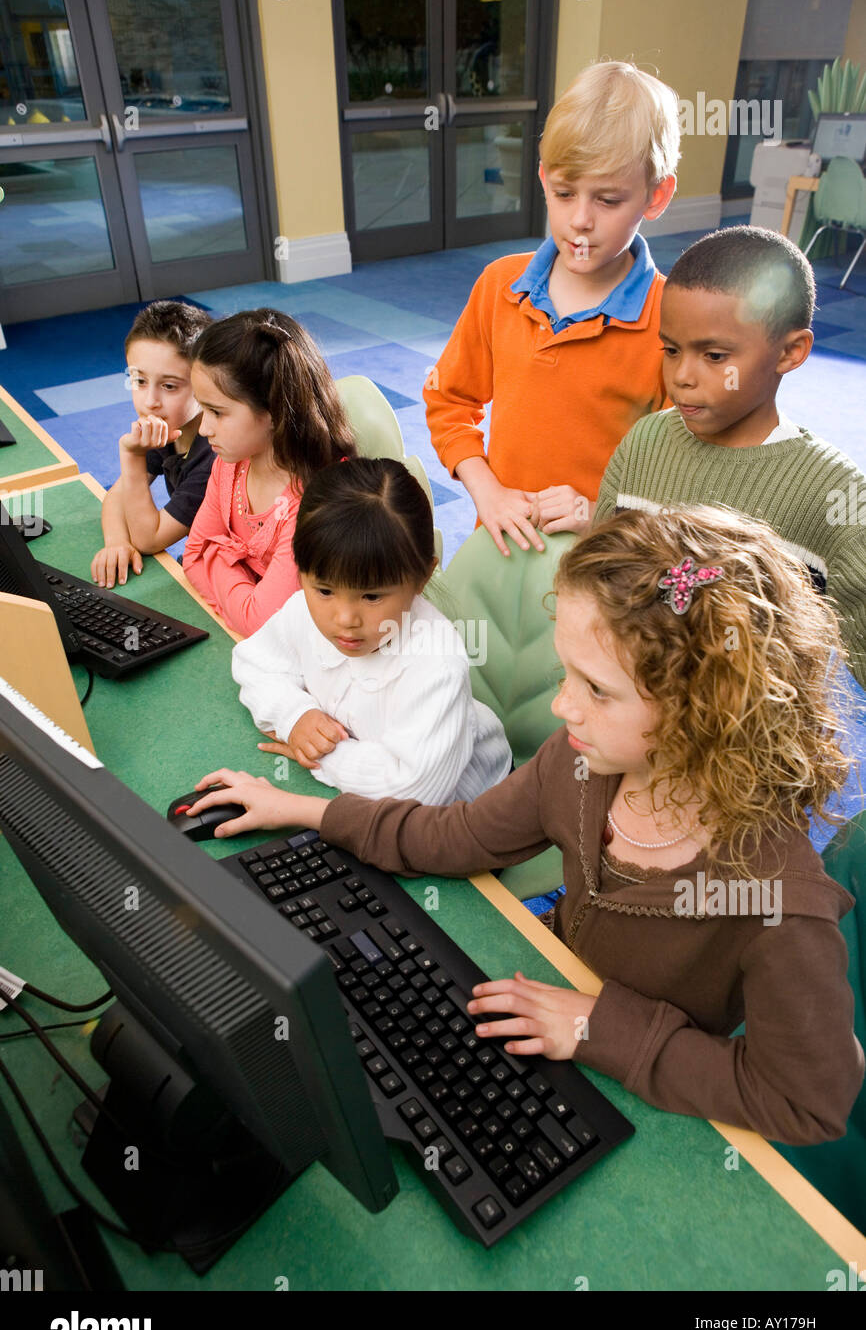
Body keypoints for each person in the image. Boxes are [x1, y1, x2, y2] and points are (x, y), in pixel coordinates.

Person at [187, 505, 864, 1144]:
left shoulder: (780, 899)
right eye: (566, 672)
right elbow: (452, 839)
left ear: (706, 708)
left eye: (597, 689)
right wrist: (305, 811)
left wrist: (600, 1027)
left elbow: (807, 1100)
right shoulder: (577, 764)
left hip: (654, 1102)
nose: (564, 706)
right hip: (554, 1003)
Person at [423, 60, 679, 557]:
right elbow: (449, 401)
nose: (579, 220)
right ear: (542, 178)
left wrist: (599, 514)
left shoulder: (675, 321)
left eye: (607, 200)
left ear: (657, 195)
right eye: (564, 193)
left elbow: (685, 477)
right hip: (499, 552)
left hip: (605, 565)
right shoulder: (499, 284)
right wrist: (487, 491)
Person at [594, 224, 866, 689]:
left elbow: (848, 678)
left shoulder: (838, 495)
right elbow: (597, 585)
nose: (681, 376)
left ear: (791, 352)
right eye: (671, 350)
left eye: (715, 356)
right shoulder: (642, 444)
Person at [231, 458, 511, 803]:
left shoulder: (437, 664)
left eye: (372, 596)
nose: (346, 617)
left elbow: (414, 792)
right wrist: (295, 715)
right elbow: (254, 663)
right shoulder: (303, 609)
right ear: (301, 571)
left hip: (462, 807)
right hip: (365, 784)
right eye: (325, 590)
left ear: (423, 577)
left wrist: (324, 754)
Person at [182, 309, 355, 636]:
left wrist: (217, 556)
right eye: (202, 407)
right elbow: (191, 557)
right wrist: (244, 601)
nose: (203, 428)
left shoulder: (314, 503)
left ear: (275, 411)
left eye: (217, 412)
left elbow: (260, 623)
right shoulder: (230, 463)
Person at [90, 300, 213, 588]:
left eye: (169, 386)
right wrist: (117, 542)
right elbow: (116, 497)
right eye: (139, 380)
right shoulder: (170, 426)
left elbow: (149, 539)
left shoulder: (214, 455)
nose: (150, 402)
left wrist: (131, 456)